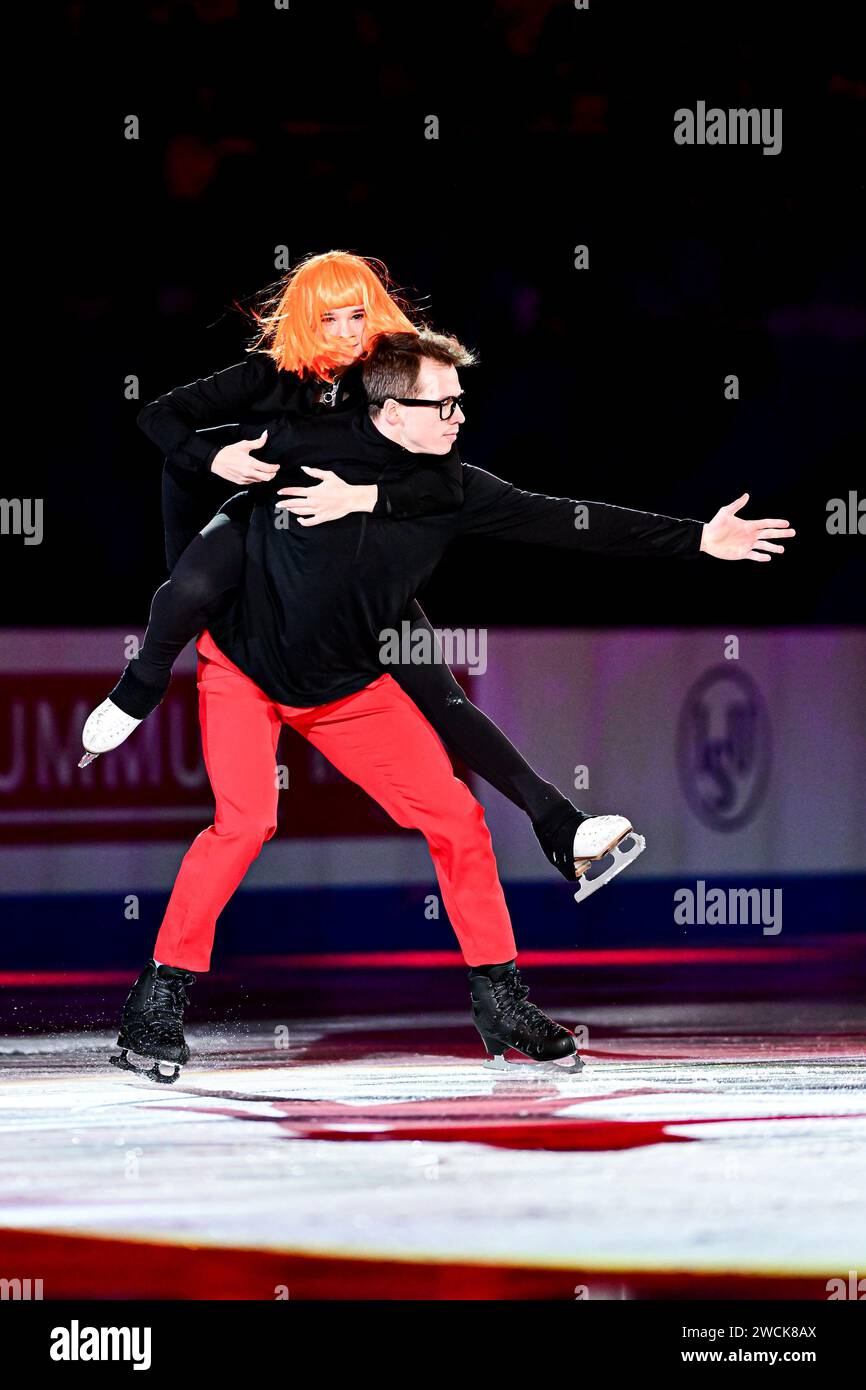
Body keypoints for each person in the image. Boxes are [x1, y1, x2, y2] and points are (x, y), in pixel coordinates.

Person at [111, 330, 795, 1084]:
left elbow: (571, 519)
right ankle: (157, 1001)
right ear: (390, 412)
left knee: (457, 818)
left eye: (461, 401)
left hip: (350, 687)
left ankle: (500, 1003)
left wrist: (699, 539)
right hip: (244, 669)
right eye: (443, 404)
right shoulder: (301, 446)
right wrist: (194, 526)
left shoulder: (451, 490)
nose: (459, 415)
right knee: (247, 822)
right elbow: (175, 445)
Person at [83, 251, 640, 896]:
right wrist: (218, 455)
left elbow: (442, 482)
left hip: (362, 567)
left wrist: (366, 499)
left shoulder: (393, 376)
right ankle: (140, 688)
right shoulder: (272, 378)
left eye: (359, 315)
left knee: (446, 700)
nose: (349, 331)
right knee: (192, 587)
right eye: (331, 318)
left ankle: (561, 825)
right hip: (270, 528)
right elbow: (160, 417)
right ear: (303, 323)